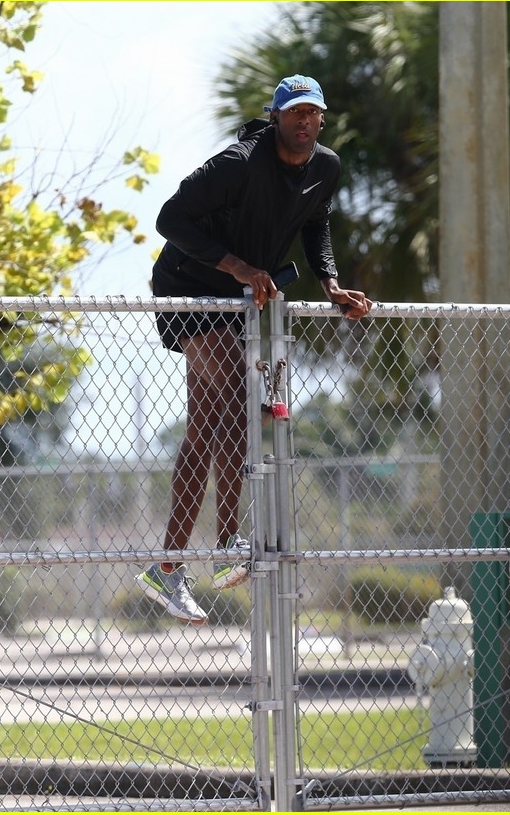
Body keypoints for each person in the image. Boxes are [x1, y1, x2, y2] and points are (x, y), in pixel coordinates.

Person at [137, 75, 373, 624]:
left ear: (321, 118)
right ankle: (222, 546)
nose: (304, 122)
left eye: (313, 113)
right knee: (230, 399)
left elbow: (317, 225)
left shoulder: (325, 168)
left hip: (239, 295)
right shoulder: (239, 162)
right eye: (293, 113)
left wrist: (332, 284)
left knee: (209, 423)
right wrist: (238, 266)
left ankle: (169, 569)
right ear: (275, 117)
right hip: (188, 285)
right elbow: (168, 219)